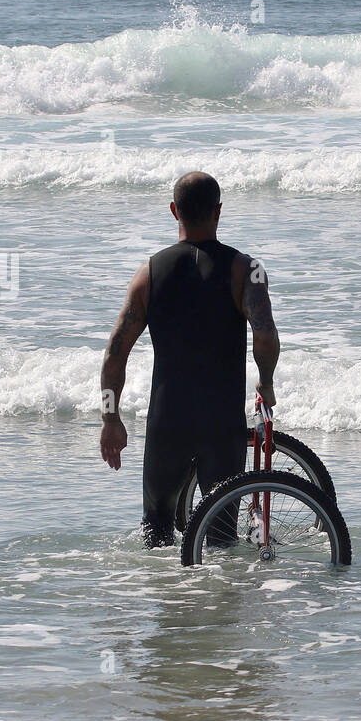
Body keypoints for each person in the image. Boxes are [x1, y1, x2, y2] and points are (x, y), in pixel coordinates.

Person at [99, 171, 280, 548]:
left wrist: (110, 418)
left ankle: (170, 602)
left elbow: (115, 353)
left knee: (157, 531)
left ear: (173, 211)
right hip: (221, 422)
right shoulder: (247, 269)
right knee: (220, 536)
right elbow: (264, 334)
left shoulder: (148, 273)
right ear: (218, 211)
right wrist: (266, 381)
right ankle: (219, 602)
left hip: (169, 424)